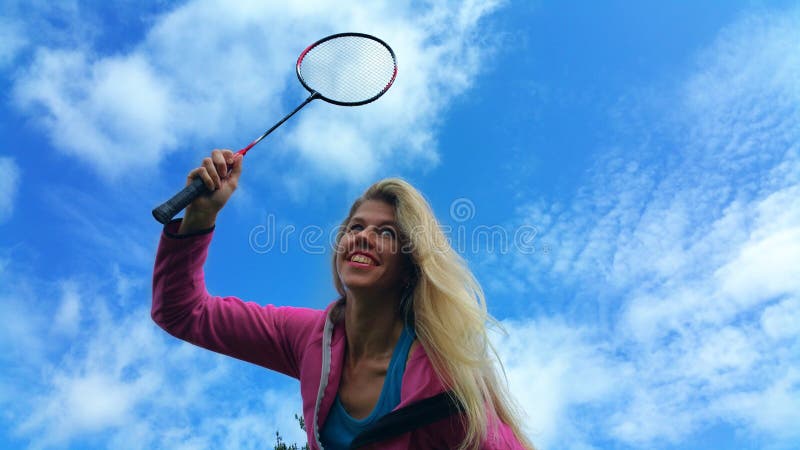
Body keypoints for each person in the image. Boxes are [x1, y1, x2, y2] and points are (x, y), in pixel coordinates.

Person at [152, 149, 535, 449]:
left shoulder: (445, 383)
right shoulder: (304, 336)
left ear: (411, 263)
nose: (363, 236)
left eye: (386, 232)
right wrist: (200, 216)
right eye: (355, 227)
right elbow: (183, 312)